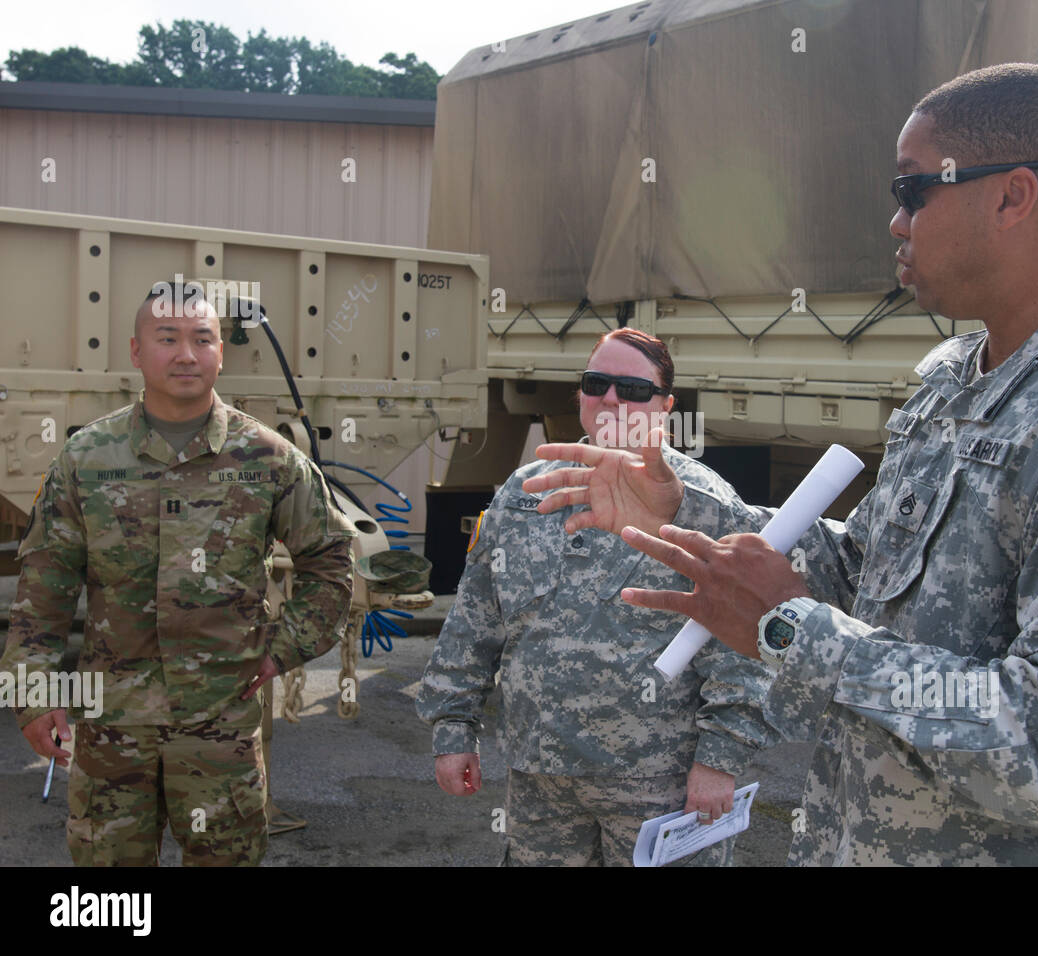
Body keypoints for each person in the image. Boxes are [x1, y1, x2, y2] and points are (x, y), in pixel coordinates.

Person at [521, 64, 1038, 865]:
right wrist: (691, 512)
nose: (894, 223)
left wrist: (790, 634)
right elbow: (864, 572)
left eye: (913, 192)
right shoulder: (959, 378)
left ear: (1012, 196)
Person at [1, 281, 356, 866]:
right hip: (112, 727)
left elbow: (330, 561)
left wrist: (278, 651)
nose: (186, 354)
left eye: (202, 339)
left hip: (220, 728)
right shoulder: (87, 459)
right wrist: (33, 695)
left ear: (221, 351)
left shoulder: (267, 459)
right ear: (137, 351)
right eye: (167, 339)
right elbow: (45, 589)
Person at [416, 328, 772, 866]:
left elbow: (741, 646)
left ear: (666, 406)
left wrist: (720, 761)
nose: (611, 398)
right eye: (596, 382)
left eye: (632, 388)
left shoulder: (701, 506)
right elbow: (474, 622)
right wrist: (452, 728)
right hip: (541, 780)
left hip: (658, 785)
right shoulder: (521, 496)